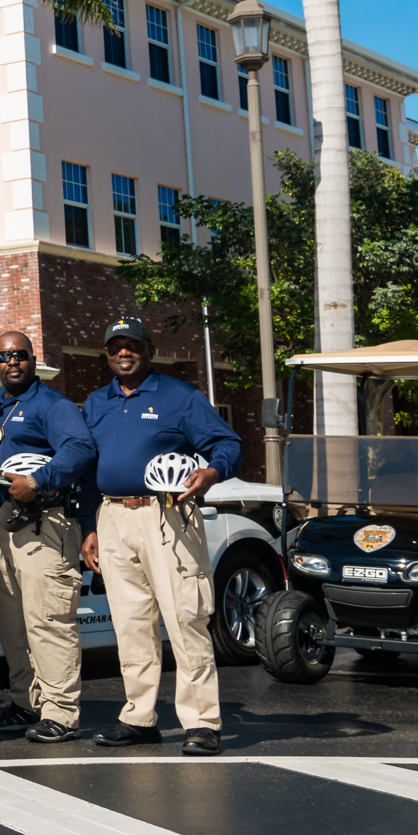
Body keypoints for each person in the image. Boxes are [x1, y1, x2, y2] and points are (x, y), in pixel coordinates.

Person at [81, 316, 242, 756]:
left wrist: (211, 472)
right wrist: (89, 526)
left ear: (149, 349)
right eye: (116, 347)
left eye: (133, 345)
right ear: (107, 354)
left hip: (167, 514)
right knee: (131, 623)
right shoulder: (96, 402)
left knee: (185, 617)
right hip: (113, 516)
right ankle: (139, 717)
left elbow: (227, 444)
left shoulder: (180, 396)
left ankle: (202, 722)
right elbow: (88, 470)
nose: (124, 353)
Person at [0, 330, 98, 745]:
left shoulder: (52, 405)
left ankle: (61, 712)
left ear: (32, 359)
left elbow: (81, 449)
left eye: (20, 355)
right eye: (3, 356)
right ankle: (27, 702)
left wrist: (38, 480)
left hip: (43, 521)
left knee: (48, 620)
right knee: (11, 622)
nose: (12, 362)